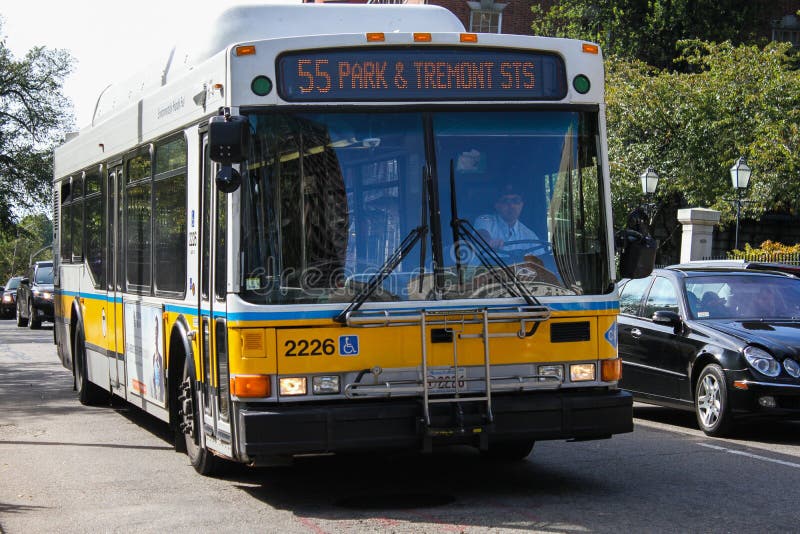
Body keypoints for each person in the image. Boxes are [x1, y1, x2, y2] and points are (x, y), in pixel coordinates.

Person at [474, 184, 540, 255]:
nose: (511, 206)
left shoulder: (530, 236)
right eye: (505, 201)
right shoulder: (484, 220)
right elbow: (481, 234)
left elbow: (542, 258)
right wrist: (488, 242)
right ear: (497, 205)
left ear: (522, 205)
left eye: (516, 201)